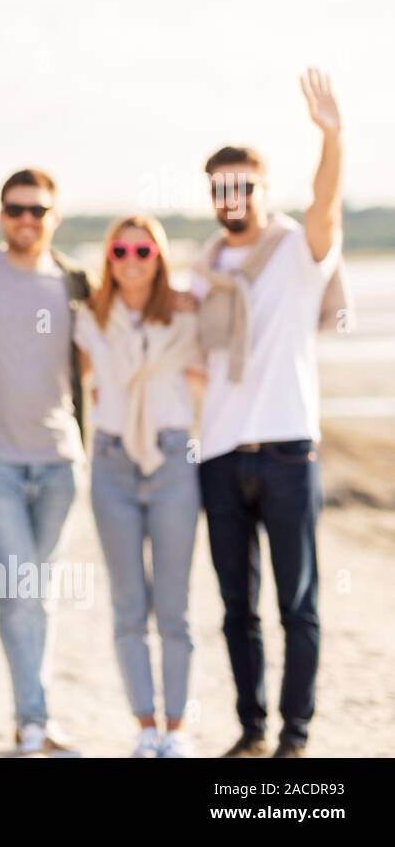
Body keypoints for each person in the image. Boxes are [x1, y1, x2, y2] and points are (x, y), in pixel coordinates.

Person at [189, 70, 346, 759]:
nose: (232, 198)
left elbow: (327, 206)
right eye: (220, 188)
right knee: (235, 610)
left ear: (261, 189)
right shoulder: (203, 266)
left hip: (287, 452)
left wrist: (332, 138)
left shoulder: (296, 250)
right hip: (220, 454)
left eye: (242, 186)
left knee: (299, 607)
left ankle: (295, 736)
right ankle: (251, 732)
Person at [0, 168, 92, 756]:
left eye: (37, 210)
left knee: (40, 591)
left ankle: (33, 718)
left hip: (61, 461)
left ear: (54, 217)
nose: (26, 220)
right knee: (18, 587)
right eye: (15, 209)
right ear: (1, 213)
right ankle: (34, 721)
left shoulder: (77, 283)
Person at [74, 216, 204, 757]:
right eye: (120, 250)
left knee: (174, 607)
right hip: (111, 464)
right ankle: (145, 726)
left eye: (142, 250)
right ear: (109, 258)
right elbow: (73, 382)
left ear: (158, 255)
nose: (130, 259)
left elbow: (217, 367)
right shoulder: (90, 318)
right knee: (129, 606)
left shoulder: (185, 314)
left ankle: (176, 730)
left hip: (174, 459)